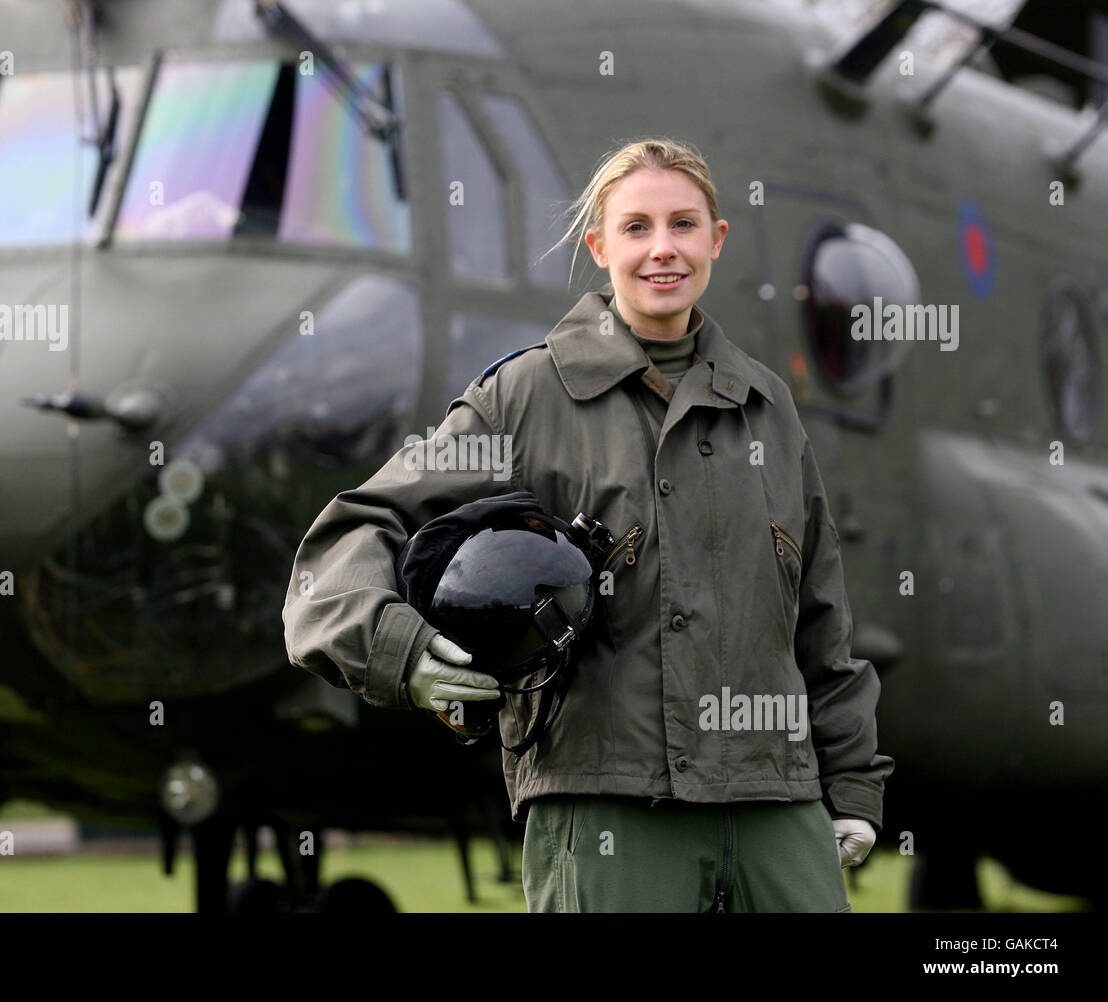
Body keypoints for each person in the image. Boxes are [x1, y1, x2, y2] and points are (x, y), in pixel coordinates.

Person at [282, 137, 893, 912]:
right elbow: (350, 536)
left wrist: (850, 784)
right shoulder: (525, 396)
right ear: (600, 246)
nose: (662, 249)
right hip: (606, 805)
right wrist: (400, 651)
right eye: (636, 228)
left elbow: (819, 618)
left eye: (682, 225)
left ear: (717, 240)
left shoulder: (765, 404)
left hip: (778, 799)